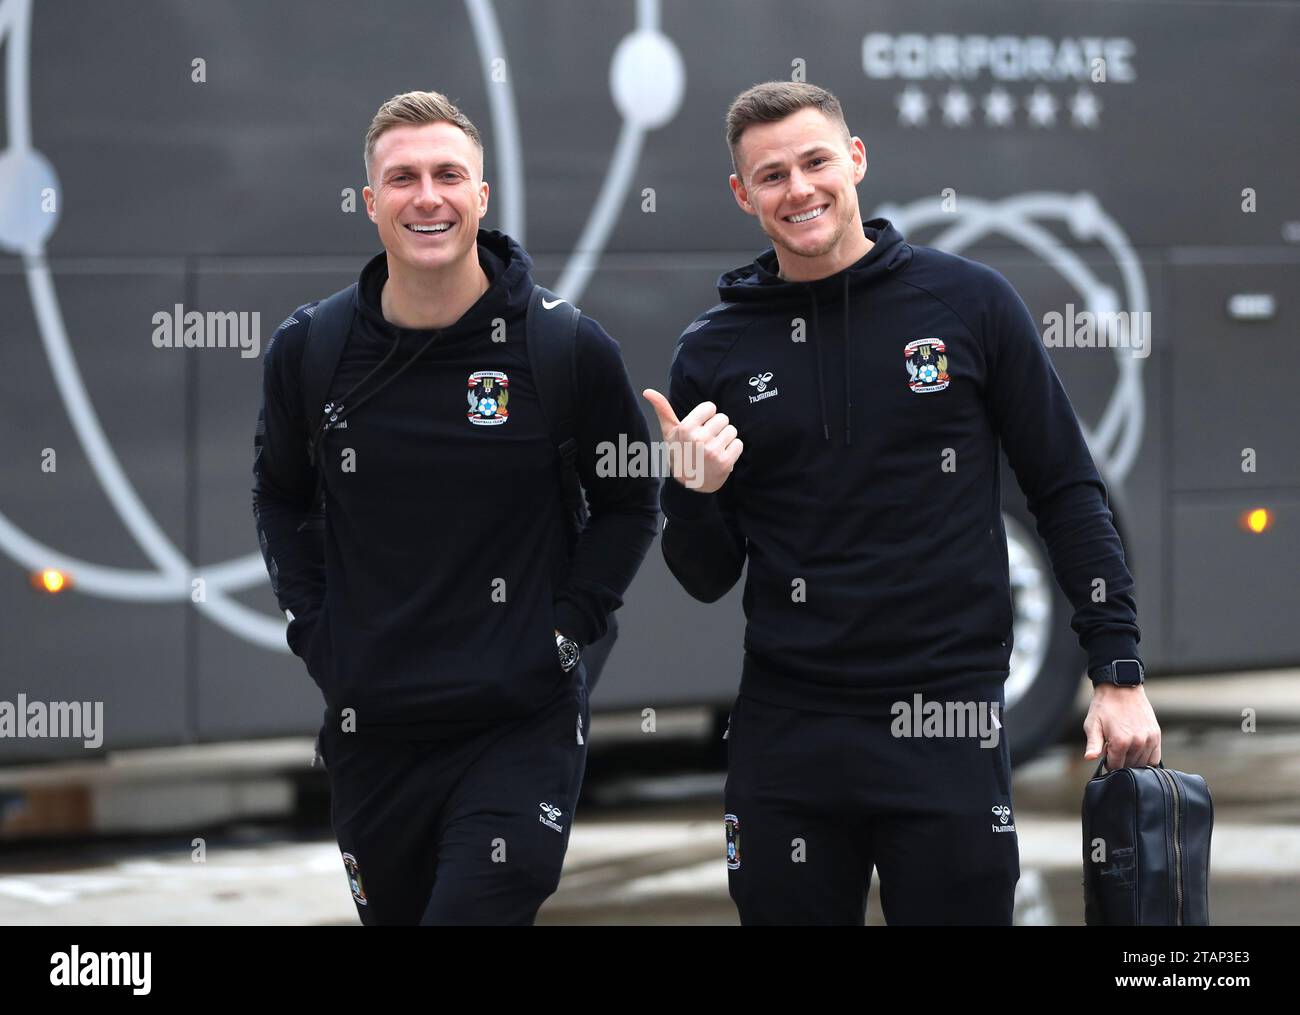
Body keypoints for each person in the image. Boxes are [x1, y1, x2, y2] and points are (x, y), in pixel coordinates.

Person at [643, 81, 1161, 926]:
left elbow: (1066, 489)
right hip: (788, 730)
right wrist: (695, 494)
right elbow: (704, 576)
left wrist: (1118, 670)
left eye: (815, 161)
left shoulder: (969, 303)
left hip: (945, 717)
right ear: (743, 195)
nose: (799, 189)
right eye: (770, 176)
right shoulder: (715, 350)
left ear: (855, 160)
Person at [252, 90, 658, 925]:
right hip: (376, 731)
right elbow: (279, 496)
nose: (427, 196)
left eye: (448, 174)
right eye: (403, 178)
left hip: (519, 727)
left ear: (482, 194)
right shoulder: (313, 350)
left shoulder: (563, 347)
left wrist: (568, 625)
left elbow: (629, 498)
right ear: (371, 203)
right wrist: (314, 628)